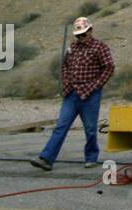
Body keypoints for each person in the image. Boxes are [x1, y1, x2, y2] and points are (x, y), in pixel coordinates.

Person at [31, 17, 114, 171]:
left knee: (90, 129)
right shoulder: (72, 48)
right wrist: (66, 83)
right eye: (78, 35)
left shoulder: (100, 47)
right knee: (61, 126)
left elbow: (109, 68)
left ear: (90, 30)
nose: (81, 37)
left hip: (90, 95)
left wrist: (95, 86)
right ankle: (46, 158)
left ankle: (91, 157)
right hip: (71, 94)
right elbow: (65, 66)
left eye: (83, 34)